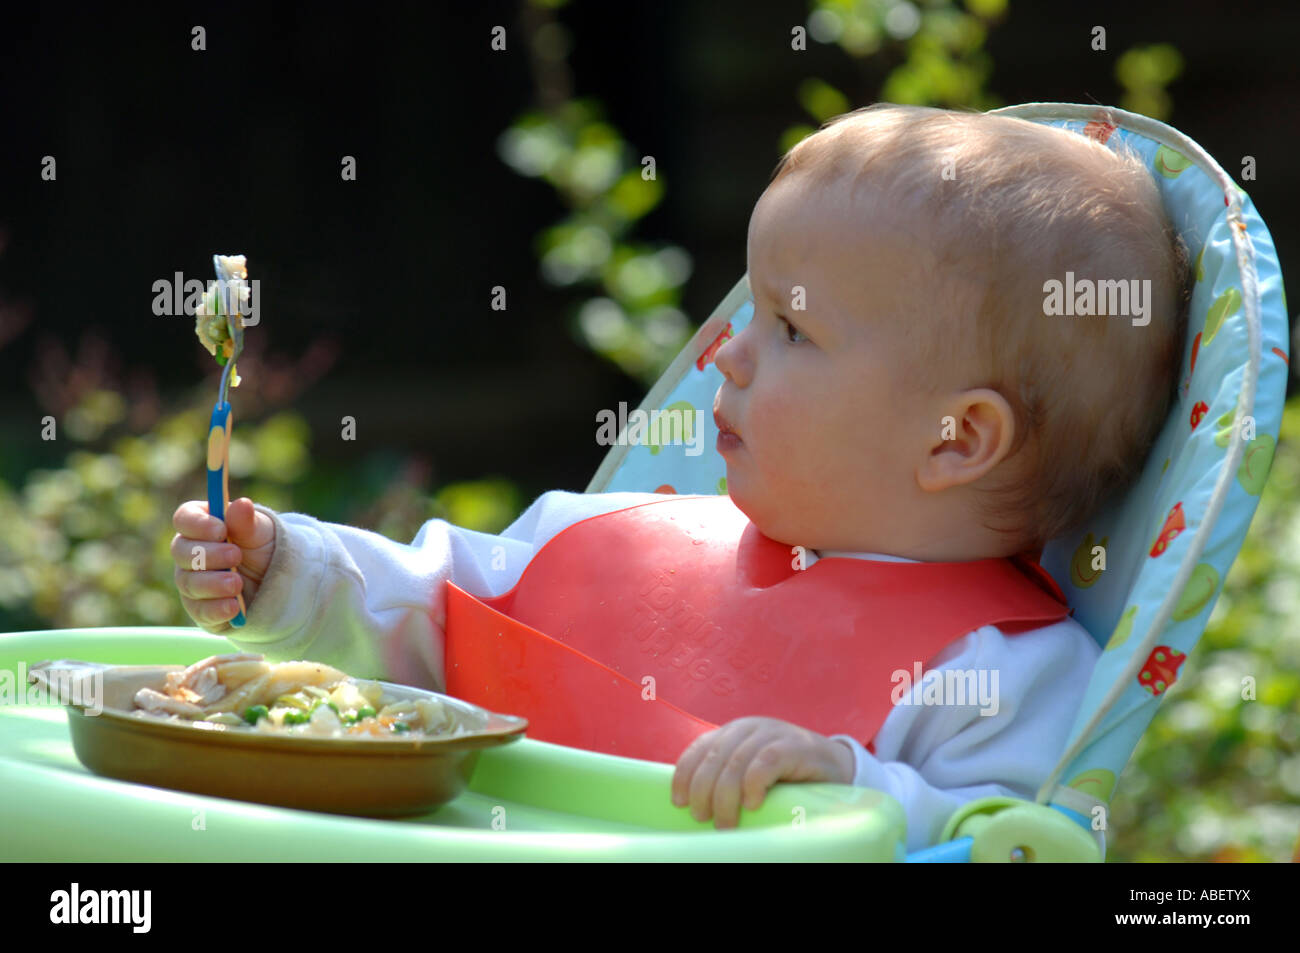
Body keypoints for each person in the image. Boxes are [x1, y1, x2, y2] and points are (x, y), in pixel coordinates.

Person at [172, 104, 1190, 851]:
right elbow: (428, 616)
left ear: (955, 438)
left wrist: (847, 782)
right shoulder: (608, 535)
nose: (728, 355)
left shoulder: (1006, 669)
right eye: (749, 316)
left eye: (791, 329)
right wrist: (286, 568)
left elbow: (1009, 836)